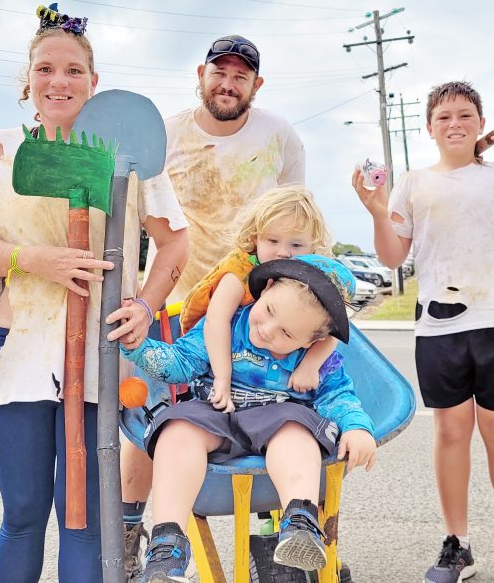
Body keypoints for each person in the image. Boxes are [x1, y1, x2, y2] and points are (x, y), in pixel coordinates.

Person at [0, 5, 188, 583]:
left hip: (102, 346)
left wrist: (143, 305)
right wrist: (34, 260)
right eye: (45, 69)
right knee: (24, 511)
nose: (58, 82)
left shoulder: (128, 152)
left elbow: (174, 244)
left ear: (94, 81)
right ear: (27, 79)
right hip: (20, 340)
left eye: (73, 70)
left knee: (83, 516)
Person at [352, 81, 494, 583]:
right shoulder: (414, 183)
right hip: (438, 326)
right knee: (450, 431)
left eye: (465, 115)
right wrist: (376, 212)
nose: (454, 124)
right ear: (430, 127)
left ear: (482, 124)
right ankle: (456, 544)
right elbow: (394, 257)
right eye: (443, 117)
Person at [122, 33, 306, 577]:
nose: (228, 83)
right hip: (175, 302)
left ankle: (273, 547)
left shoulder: (280, 137)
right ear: (199, 75)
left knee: (270, 412)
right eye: (219, 72)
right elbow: (134, 219)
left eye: (240, 76)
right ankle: (137, 531)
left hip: (260, 311)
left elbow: (293, 219)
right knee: (150, 421)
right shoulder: (166, 136)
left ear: (256, 84)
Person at [120, 255, 376, 583]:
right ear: (265, 289)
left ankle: (299, 522)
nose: (267, 330)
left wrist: (357, 427)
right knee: (176, 430)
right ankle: (167, 547)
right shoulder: (226, 326)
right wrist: (139, 347)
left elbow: (339, 397)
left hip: (277, 420)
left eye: (286, 332)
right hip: (216, 413)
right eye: (268, 311)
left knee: (299, 433)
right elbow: (183, 361)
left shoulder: (314, 362)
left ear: (311, 342)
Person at [179, 185, 337, 413]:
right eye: (273, 241)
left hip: (266, 358)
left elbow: (332, 330)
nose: (283, 252)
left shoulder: (306, 279)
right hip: (214, 346)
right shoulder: (239, 272)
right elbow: (216, 321)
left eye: (296, 245)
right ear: (256, 238)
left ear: (312, 247)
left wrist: (310, 366)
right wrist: (222, 377)